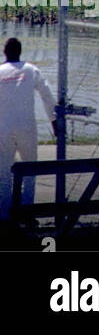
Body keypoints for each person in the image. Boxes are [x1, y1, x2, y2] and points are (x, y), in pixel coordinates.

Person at [0, 38, 56, 219]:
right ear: (20, 51)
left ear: (4, 52)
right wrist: (54, 120)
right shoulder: (32, 70)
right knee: (30, 170)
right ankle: (26, 213)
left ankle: (4, 215)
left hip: (3, 128)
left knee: (4, 173)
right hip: (27, 126)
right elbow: (47, 95)